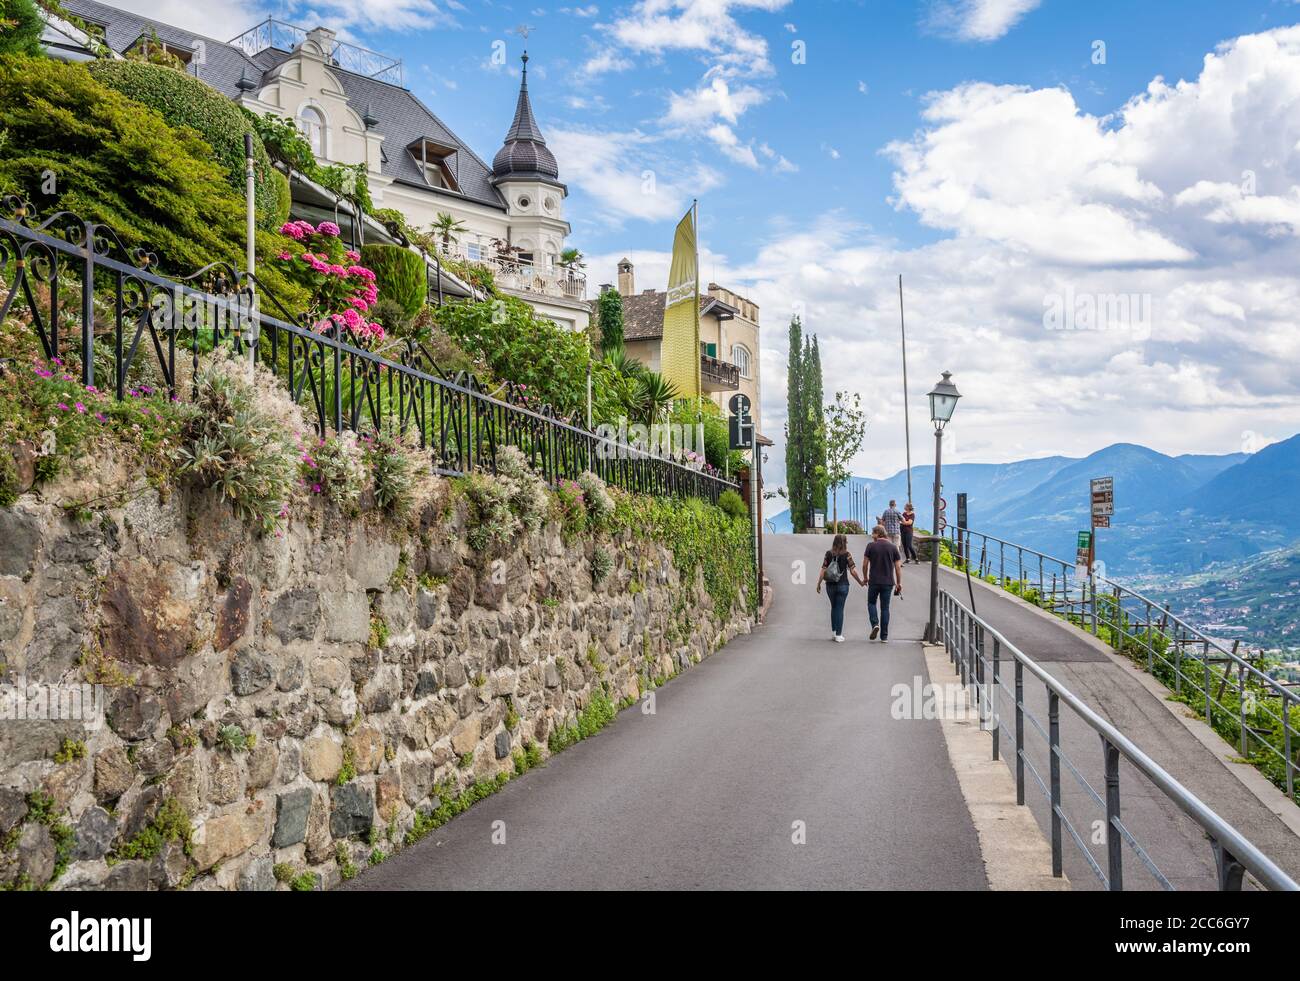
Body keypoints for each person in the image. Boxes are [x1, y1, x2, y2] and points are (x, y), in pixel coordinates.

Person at [816, 533, 862, 643]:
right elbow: (852, 571)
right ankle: (839, 634)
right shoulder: (847, 554)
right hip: (843, 585)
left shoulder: (828, 553)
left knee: (834, 607)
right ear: (845, 542)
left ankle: (833, 631)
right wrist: (860, 582)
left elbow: (823, 569)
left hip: (830, 585)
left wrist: (818, 583)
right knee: (840, 609)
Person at [863, 524, 903, 642]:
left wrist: (865, 578)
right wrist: (899, 583)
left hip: (874, 581)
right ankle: (884, 636)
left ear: (877, 534)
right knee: (885, 608)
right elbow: (898, 567)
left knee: (871, 603)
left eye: (873, 534)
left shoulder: (870, 546)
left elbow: (865, 564)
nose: (872, 536)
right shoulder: (892, 547)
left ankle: (875, 624)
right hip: (888, 582)